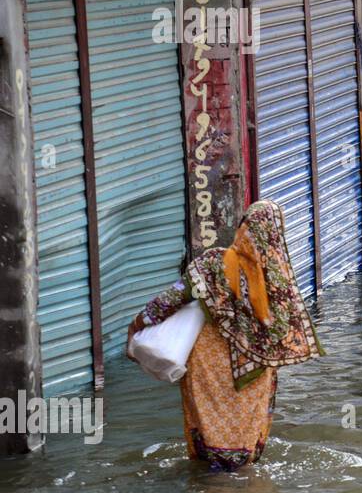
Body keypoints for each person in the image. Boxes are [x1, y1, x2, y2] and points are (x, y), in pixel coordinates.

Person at [127, 200, 322, 471]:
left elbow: (173, 298)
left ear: (243, 228)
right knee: (243, 428)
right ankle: (239, 482)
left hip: (208, 364)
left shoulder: (213, 262)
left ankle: (209, 481)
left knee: (208, 421)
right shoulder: (278, 281)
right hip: (254, 370)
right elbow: (282, 333)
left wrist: (139, 322)